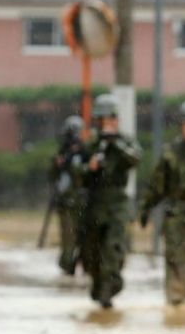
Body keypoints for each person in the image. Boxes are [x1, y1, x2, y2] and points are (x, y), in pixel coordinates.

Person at [138, 100, 185, 305]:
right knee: (178, 267)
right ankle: (177, 314)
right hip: (178, 219)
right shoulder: (171, 153)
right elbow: (156, 186)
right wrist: (145, 209)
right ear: (182, 125)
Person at [81, 94, 142, 309]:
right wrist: (89, 167)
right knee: (92, 253)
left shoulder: (125, 142)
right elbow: (77, 173)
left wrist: (114, 144)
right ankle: (100, 287)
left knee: (113, 248)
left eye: (110, 119)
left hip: (117, 203)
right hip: (95, 203)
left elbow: (134, 159)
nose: (107, 124)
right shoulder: (91, 144)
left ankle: (110, 288)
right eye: (103, 120)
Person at [50, 115, 88, 276]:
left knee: (85, 239)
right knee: (68, 240)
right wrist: (59, 164)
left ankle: (85, 264)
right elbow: (53, 177)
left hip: (83, 202)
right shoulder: (62, 152)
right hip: (66, 203)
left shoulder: (85, 151)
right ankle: (67, 266)